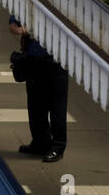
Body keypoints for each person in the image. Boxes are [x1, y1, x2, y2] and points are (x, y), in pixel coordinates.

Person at [8, 16, 69, 163]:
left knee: (56, 107)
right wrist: (19, 30)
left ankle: (58, 147)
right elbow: (12, 24)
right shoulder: (26, 3)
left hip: (56, 63)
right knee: (35, 105)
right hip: (33, 59)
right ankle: (40, 142)